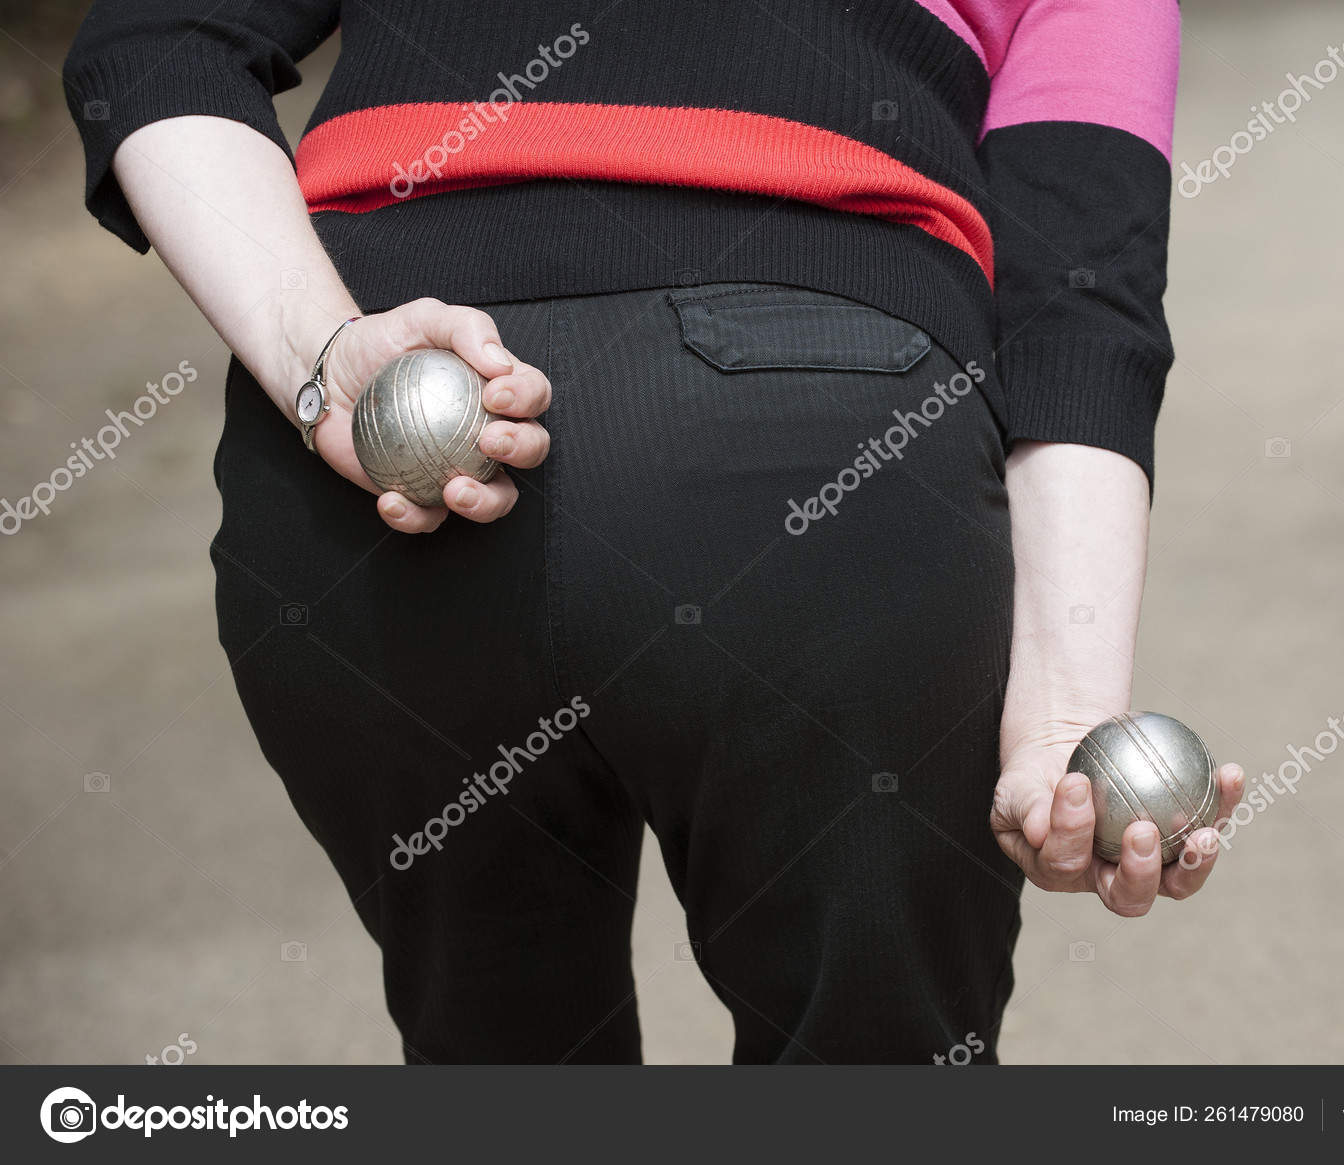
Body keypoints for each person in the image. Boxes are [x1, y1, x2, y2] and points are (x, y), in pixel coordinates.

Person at [64, 0, 1245, 1063]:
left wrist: (322, 360)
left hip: (387, 445)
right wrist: (1062, 724)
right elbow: (1078, 311)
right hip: (814, 444)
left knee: (500, 1062)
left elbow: (152, 43)